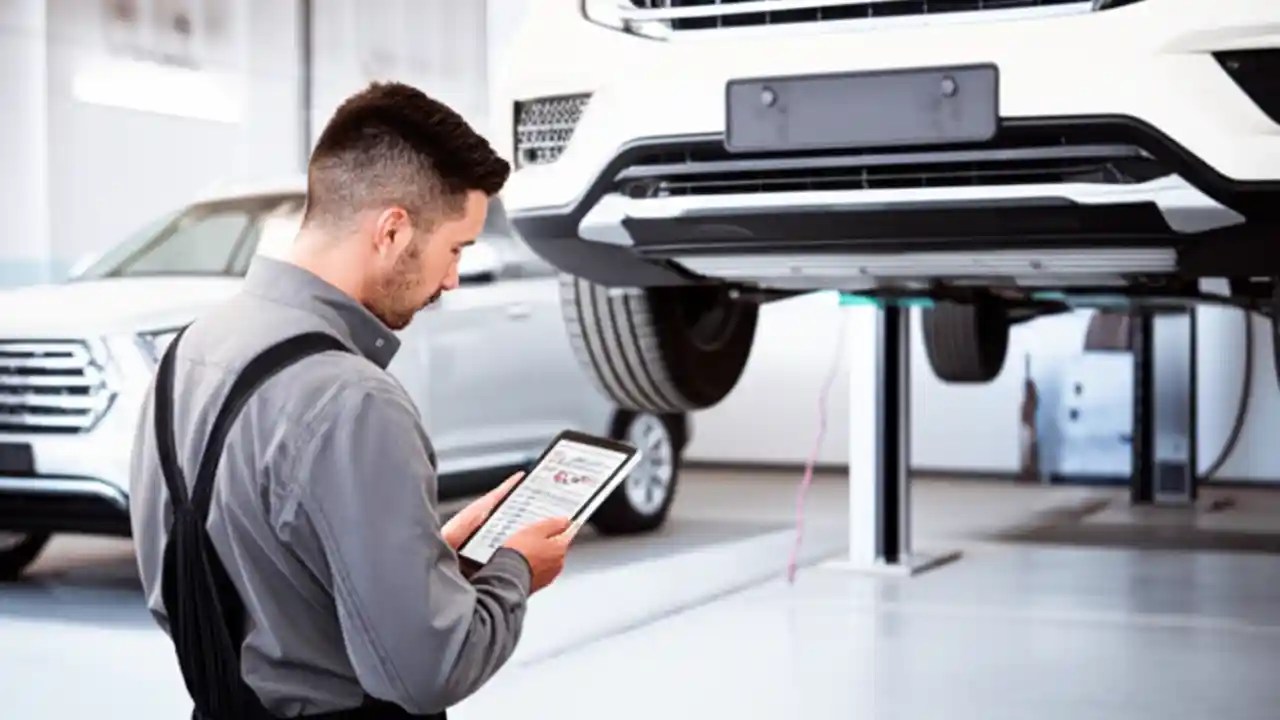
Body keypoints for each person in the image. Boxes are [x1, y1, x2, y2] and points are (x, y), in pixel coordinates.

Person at [129, 81, 575, 718]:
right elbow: (429, 671)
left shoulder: (187, 354)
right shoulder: (353, 400)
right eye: (455, 249)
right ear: (393, 230)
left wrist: (428, 559)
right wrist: (513, 572)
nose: (451, 278)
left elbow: (222, 581)